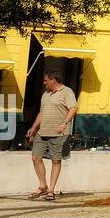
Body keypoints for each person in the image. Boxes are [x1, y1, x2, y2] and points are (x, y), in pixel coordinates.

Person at [25, 70, 78, 202]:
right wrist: (34, 127)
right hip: (42, 132)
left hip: (58, 133)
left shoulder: (67, 92)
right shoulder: (46, 94)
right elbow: (42, 113)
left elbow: (73, 108)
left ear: (53, 80)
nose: (44, 83)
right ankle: (42, 186)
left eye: (46, 80)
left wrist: (64, 124)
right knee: (35, 157)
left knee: (55, 161)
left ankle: (51, 190)